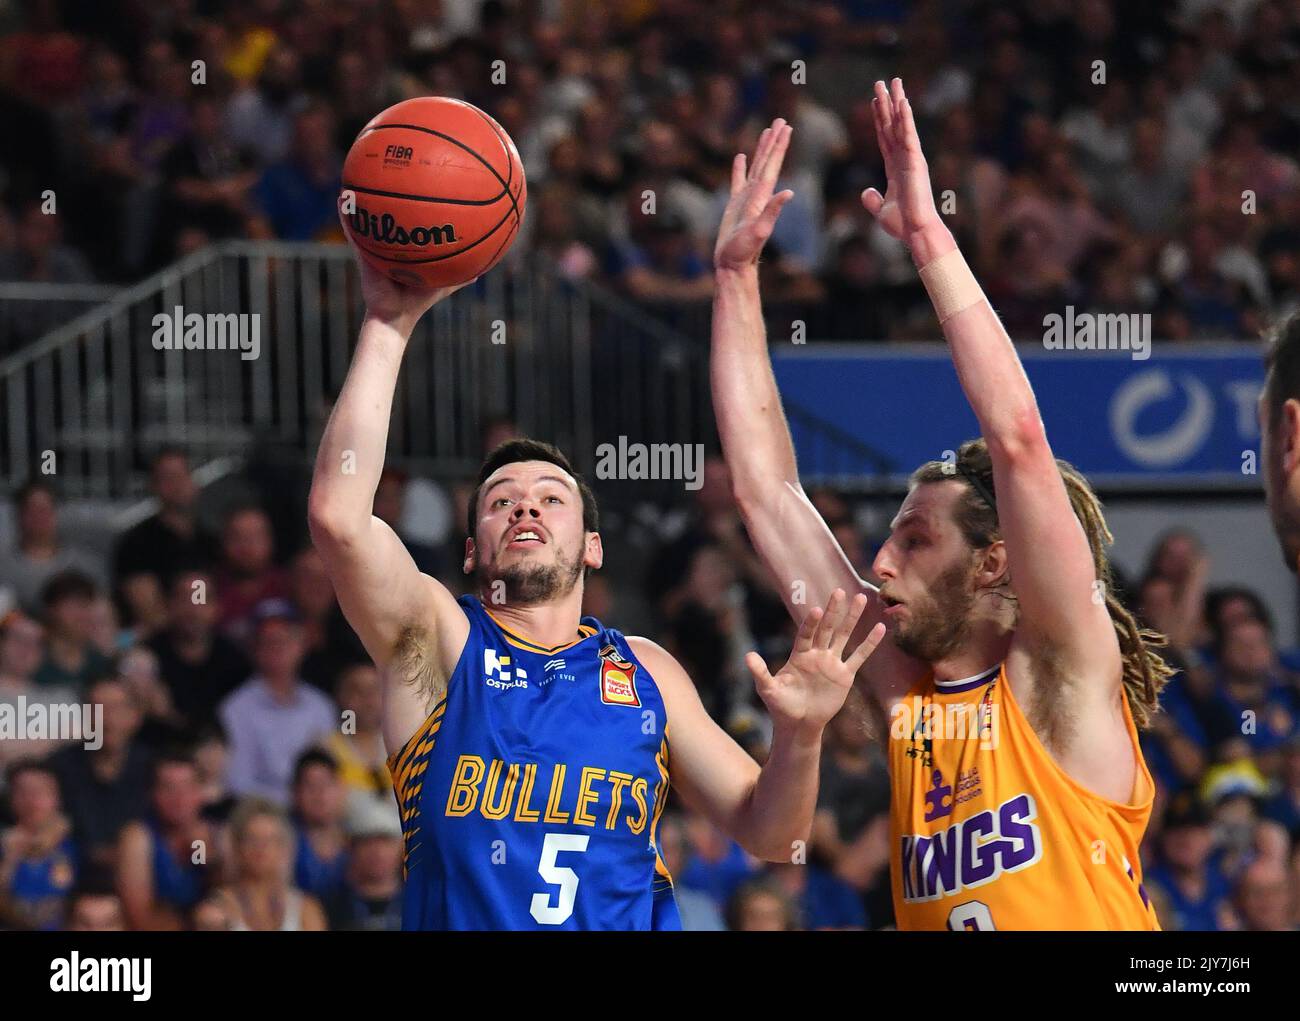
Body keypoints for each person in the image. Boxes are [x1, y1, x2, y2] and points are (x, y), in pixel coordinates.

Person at [307, 242, 884, 930]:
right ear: (471, 551)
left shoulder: (647, 671)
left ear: (593, 546)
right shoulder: (439, 639)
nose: (525, 506)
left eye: (550, 498)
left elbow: (773, 834)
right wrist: (387, 325)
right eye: (501, 501)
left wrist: (802, 734)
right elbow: (339, 518)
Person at [709, 91, 1171, 930]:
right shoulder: (906, 696)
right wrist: (736, 280)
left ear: (993, 561)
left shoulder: (1059, 674)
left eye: (916, 539)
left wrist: (927, 238)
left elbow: (1018, 438)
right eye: (891, 536)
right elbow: (766, 492)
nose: (880, 561)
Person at [217, 599, 336, 805]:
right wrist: (294, 801)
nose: (278, 648)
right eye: (268, 640)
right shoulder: (236, 709)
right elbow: (238, 783)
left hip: (318, 809)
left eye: (286, 639)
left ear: (301, 645)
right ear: (254, 648)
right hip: (263, 812)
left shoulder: (320, 706)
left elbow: (331, 770)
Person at [112, 448, 220, 633]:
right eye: (167, 478)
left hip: (208, 637)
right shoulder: (137, 544)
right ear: (153, 486)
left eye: (181, 476)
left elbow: (213, 596)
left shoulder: (209, 540)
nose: (177, 485)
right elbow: (149, 612)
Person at [116, 752, 220, 930]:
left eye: (187, 787)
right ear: (152, 794)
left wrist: (209, 862)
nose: (179, 798)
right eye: (168, 788)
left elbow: (229, 908)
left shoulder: (213, 834)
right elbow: (140, 919)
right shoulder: (139, 837)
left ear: (201, 793)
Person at [212, 798, 327, 931]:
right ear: (237, 846)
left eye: (269, 839)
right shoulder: (218, 907)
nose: (260, 848)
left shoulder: (306, 909)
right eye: (252, 839)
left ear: (283, 847)